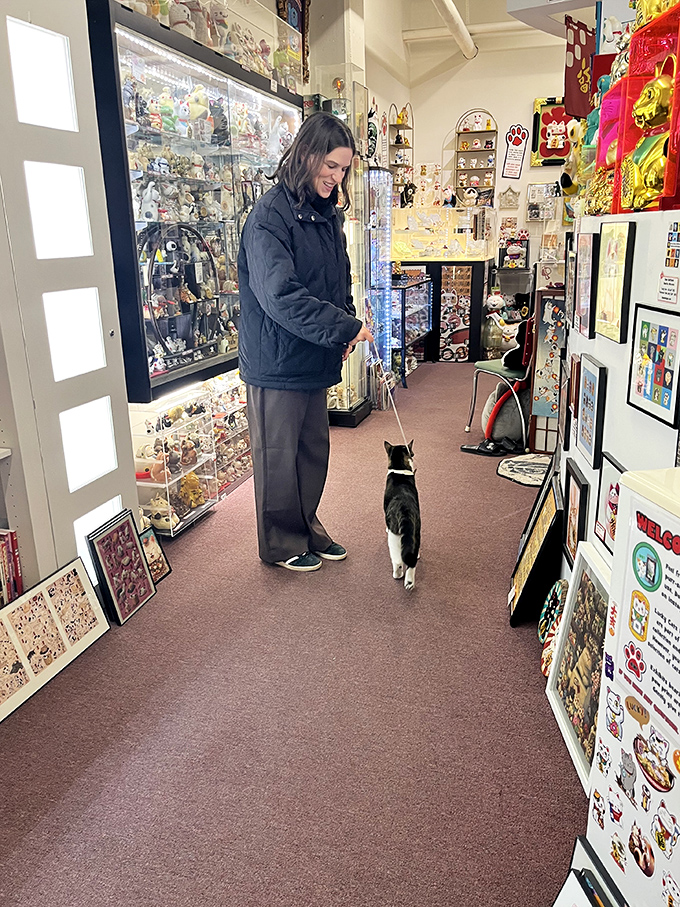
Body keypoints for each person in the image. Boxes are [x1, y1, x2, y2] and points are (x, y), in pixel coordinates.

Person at [237, 111, 374, 572]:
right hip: (276, 359)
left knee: (312, 450)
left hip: (312, 354)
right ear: (308, 154)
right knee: (278, 457)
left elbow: (339, 277)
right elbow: (281, 296)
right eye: (330, 166)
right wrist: (342, 327)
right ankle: (280, 541)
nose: (336, 178)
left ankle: (306, 526)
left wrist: (348, 321)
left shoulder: (325, 213)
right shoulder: (268, 216)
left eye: (343, 169)